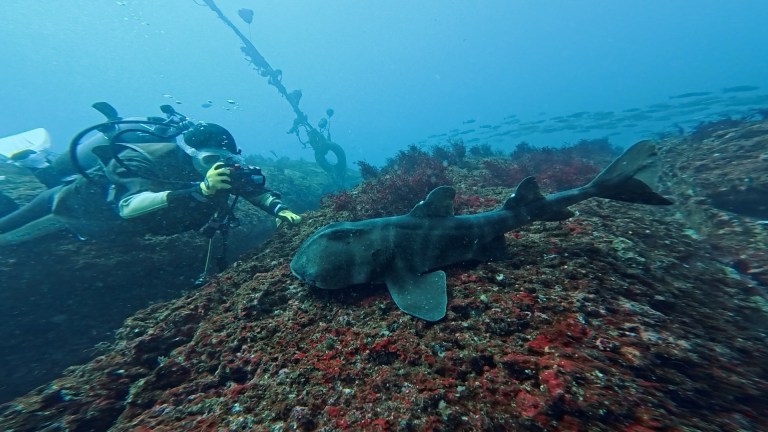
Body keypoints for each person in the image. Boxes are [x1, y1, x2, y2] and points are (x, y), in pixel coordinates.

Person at [0, 122, 302, 246]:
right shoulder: (145, 158)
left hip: (126, 231)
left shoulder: (219, 167)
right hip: (76, 207)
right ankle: (35, 163)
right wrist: (199, 190)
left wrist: (278, 209)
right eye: (210, 158)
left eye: (223, 158)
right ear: (189, 151)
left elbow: (250, 189)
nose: (217, 165)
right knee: (8, 234)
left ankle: (39, 166)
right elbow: (128, 207)